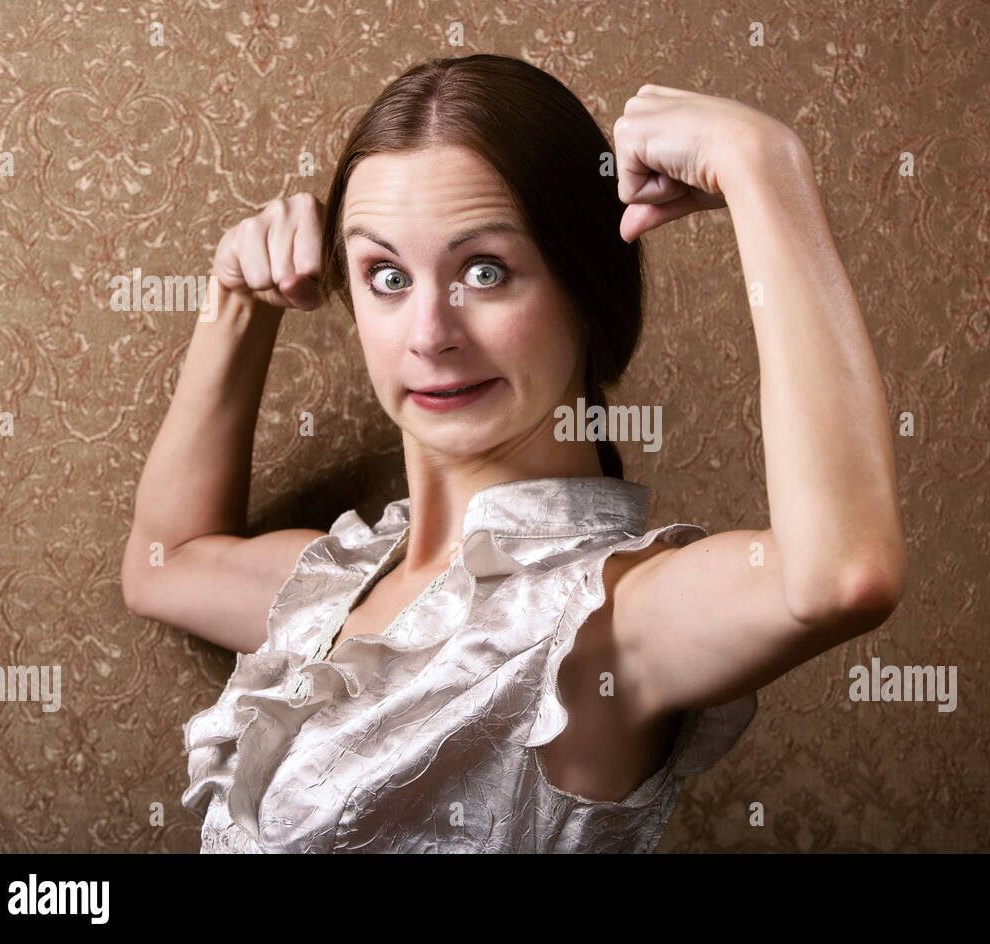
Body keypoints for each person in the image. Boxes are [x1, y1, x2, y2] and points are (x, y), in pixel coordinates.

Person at [121, 54, 907, 853]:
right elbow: (164, 561)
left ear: (587, 294)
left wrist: (764, 167)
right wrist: (234, 302)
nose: (430, 334)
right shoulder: (338, 585)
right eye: (386, 275)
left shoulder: (603, 622)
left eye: (486, 271)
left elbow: (842, 577)